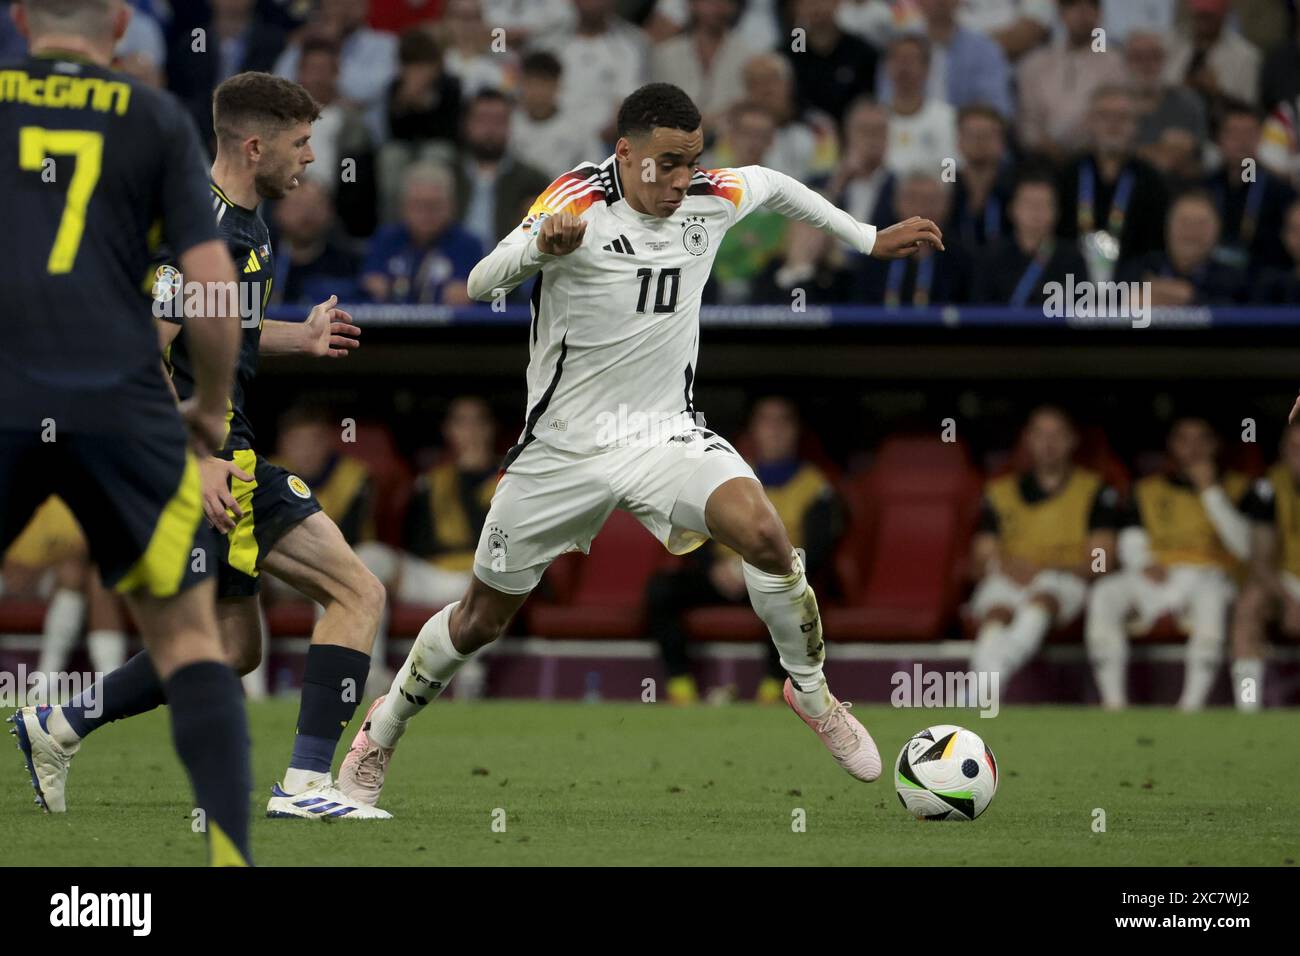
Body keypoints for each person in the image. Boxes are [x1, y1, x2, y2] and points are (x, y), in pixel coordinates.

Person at [335, 82, 945, 807]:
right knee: (479, 620)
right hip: (561, 449)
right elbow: (477, 280)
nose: (682, 179)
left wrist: (867, 239)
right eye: (666, 164)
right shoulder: (574, 202)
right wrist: (538, 246)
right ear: (625, 153)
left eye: (692, 161)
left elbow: (777, 185)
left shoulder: (710, 196)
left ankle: (812, 693)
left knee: (764, 533)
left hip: (664, 434)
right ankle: (381, 732)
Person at [26, 71, 391, 822]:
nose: (312, 159)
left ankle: (56, 724)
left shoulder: (243, 225)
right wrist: (196, 458)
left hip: (224, 453)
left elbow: (226, 326)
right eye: (301, 143)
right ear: (254, 146)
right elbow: (142, 351)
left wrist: (302, 335)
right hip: (209, 456)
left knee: (231, 650)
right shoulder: (198, 231)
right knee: (358, 592)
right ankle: (307, 786)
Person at [2, 0, 249, 864]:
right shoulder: (154, 117)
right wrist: (211, 408)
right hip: (123, 402)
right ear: (116, 22)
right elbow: (212, 285)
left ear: (22, 15)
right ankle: (230, 854)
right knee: (189, 636)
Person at [647, 397, 843, 705]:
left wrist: (770, 567)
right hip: (726, 578)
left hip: (776, 577)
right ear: (754, 431)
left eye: (783, 422)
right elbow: (697, 525)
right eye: (767, 422)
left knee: (801, 597)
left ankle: (773, 692)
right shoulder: (732, 477)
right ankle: (681, 689)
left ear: (795, 431)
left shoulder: (815, 486)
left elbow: (818, 549)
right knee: (661, 590)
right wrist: (714, 566)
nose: (775, 431)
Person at [1086, 417, 1251, 711]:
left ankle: (1190, 706)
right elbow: (1131, 538)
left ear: (1215, 445)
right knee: (1105, 591)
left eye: (1202, 439)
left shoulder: (1240, 487)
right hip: (1159, 576)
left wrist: (1210, 490)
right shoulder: (1148, 489)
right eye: (1184, 440)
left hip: (1211, 578)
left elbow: (1246, 547)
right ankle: (1113, 704)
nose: (1193, 448)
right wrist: (1143, 562)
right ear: (1172, 446)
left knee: (1210, 595)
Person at [968, 407, 1120, 688]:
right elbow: (981, 558)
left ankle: (983, 687)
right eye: (1040, 435)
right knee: (996, 613)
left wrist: (1046, 568)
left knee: (1041, 599)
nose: (1049, 443)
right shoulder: (999, 492)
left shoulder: (1096, 490)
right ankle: (981, 692)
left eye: (1057, 435)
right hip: (1010, 576)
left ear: (1072, 440)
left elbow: (1102, 560)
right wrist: (1000, 565)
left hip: (1065, 578)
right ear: (1028, 439)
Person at [1230, 422, 1300, 711]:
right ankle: (1249, 706)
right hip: (1287, 579)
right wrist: (1290, 602)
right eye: (1294, 449)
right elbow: (1260, 561)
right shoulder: (1267, 487)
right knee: (1250, 603)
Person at [362, 162, 483, 304]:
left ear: (451, 206)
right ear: (403, 207)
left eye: (434, 205)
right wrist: (372, 287)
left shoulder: (469, 246)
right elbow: (367, 284)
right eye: (418, 205)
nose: (426, 214)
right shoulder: (386, 240)